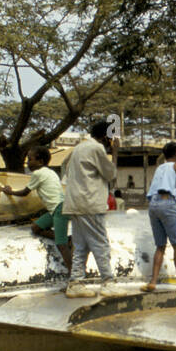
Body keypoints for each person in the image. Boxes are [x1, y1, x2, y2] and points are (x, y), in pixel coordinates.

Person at [62, 120, 121, 298]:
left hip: (75, 203)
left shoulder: (79, 148)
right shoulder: (97, 149)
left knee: (81, 246)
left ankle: (75, 282)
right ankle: (108, 282)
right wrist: (115, 154)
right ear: (105, 137)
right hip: (90, 203)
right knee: (100, 243)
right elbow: (111, 174)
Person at [0, 145, 71, 275]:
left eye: (30, 160)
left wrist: (9, 191)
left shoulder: (38, 173)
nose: (28, 163)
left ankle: (75, 275)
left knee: (61, 246)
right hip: (58, 208)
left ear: (40, 161)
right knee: (36, 227)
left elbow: (25, 192)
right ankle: (67, 239)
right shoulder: (51, 172)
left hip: (59, 209)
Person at [143, 142, 176, 293]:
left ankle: (153, 281)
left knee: (160, 246)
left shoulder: (159, 168)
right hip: (167, 202)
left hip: (153, 204)